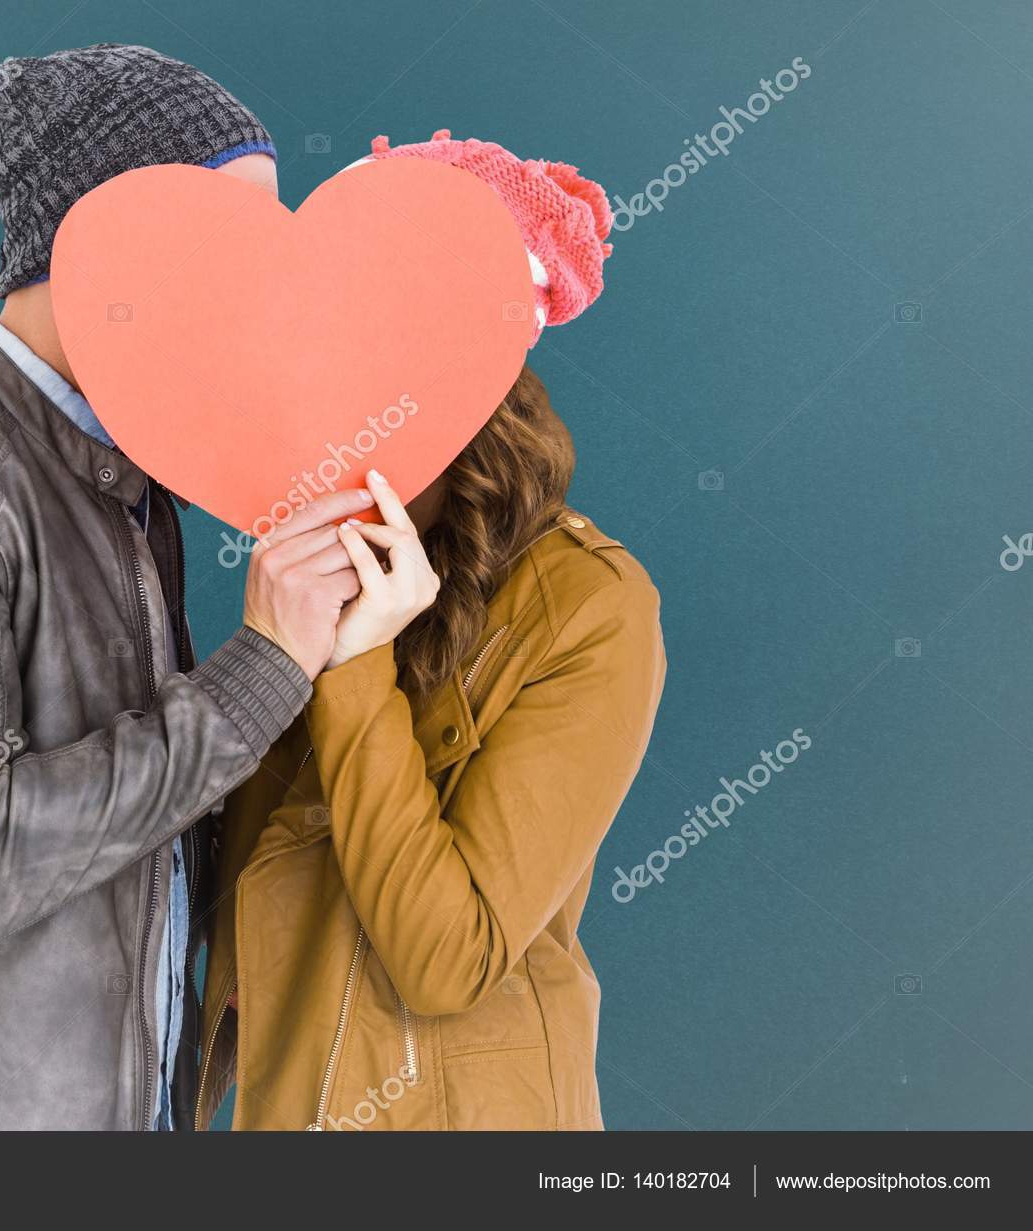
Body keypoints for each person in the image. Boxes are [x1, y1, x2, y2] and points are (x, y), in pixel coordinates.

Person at [0, 44, 366, 1131]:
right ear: (101, 240)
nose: (258, 288)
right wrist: (263, 669)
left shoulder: (128, 482)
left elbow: (151, 821)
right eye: (225, 241)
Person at [196, 131, 667, 1131]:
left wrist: (358, 663)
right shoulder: (313, 538)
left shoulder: (589, 606)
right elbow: (224, 885)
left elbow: (443, 957)